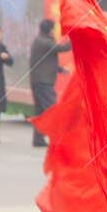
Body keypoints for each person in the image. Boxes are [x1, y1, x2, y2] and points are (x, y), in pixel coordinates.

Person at [28, 18, 69, 148]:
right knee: (52, 109)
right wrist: (75, 37)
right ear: (50, 30)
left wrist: (60, 69)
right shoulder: (43, 42)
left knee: (41, 112)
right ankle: (57, 138)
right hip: (42, 81)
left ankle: (38, 140)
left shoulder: (42, 41)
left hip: (40, 80)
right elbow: (63, 48)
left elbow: (46, 61)